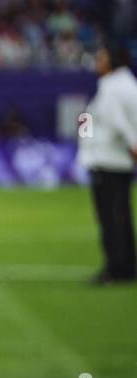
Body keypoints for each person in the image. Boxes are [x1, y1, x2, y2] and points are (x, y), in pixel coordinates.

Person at [79, 38, 137, 284]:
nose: (97, 62)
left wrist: (133, 145)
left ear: (113, 60)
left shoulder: (111, 87)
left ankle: (116, 268)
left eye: (102, 58)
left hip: (107, 159)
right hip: (117, 160)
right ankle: (127, 265)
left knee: (110, 218)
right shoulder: (127, 84)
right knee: (121, 215)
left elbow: (116, 122)